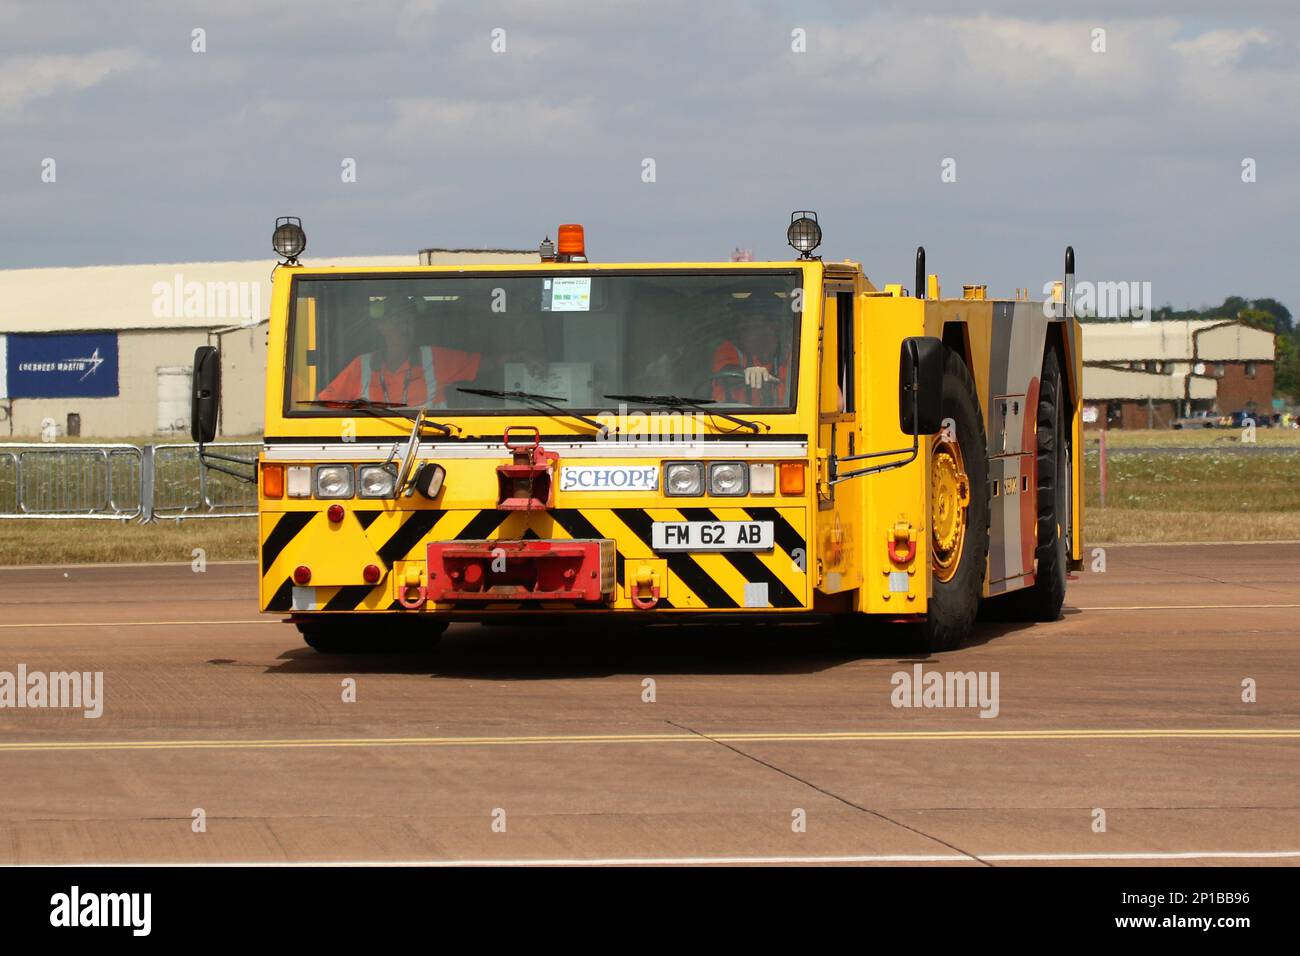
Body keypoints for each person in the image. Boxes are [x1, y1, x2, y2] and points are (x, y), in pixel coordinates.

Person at [318, 296, 481, 407]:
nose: (404, 327)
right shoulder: (362, 365)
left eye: (409, 320)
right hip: (376, 448)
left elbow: (489, 363)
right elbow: (323, 406)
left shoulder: (436, 358)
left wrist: (507, 357)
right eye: (396, 320)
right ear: (380, 327)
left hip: (432, 444)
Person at [711, 307, 789, 404]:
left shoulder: (792, 356)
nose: (740, 333)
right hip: (729, 417)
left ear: (772, 327)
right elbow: (726, 375)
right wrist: (747, 373)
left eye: (750, 327)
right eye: (741, 328)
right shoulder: (730, 349)